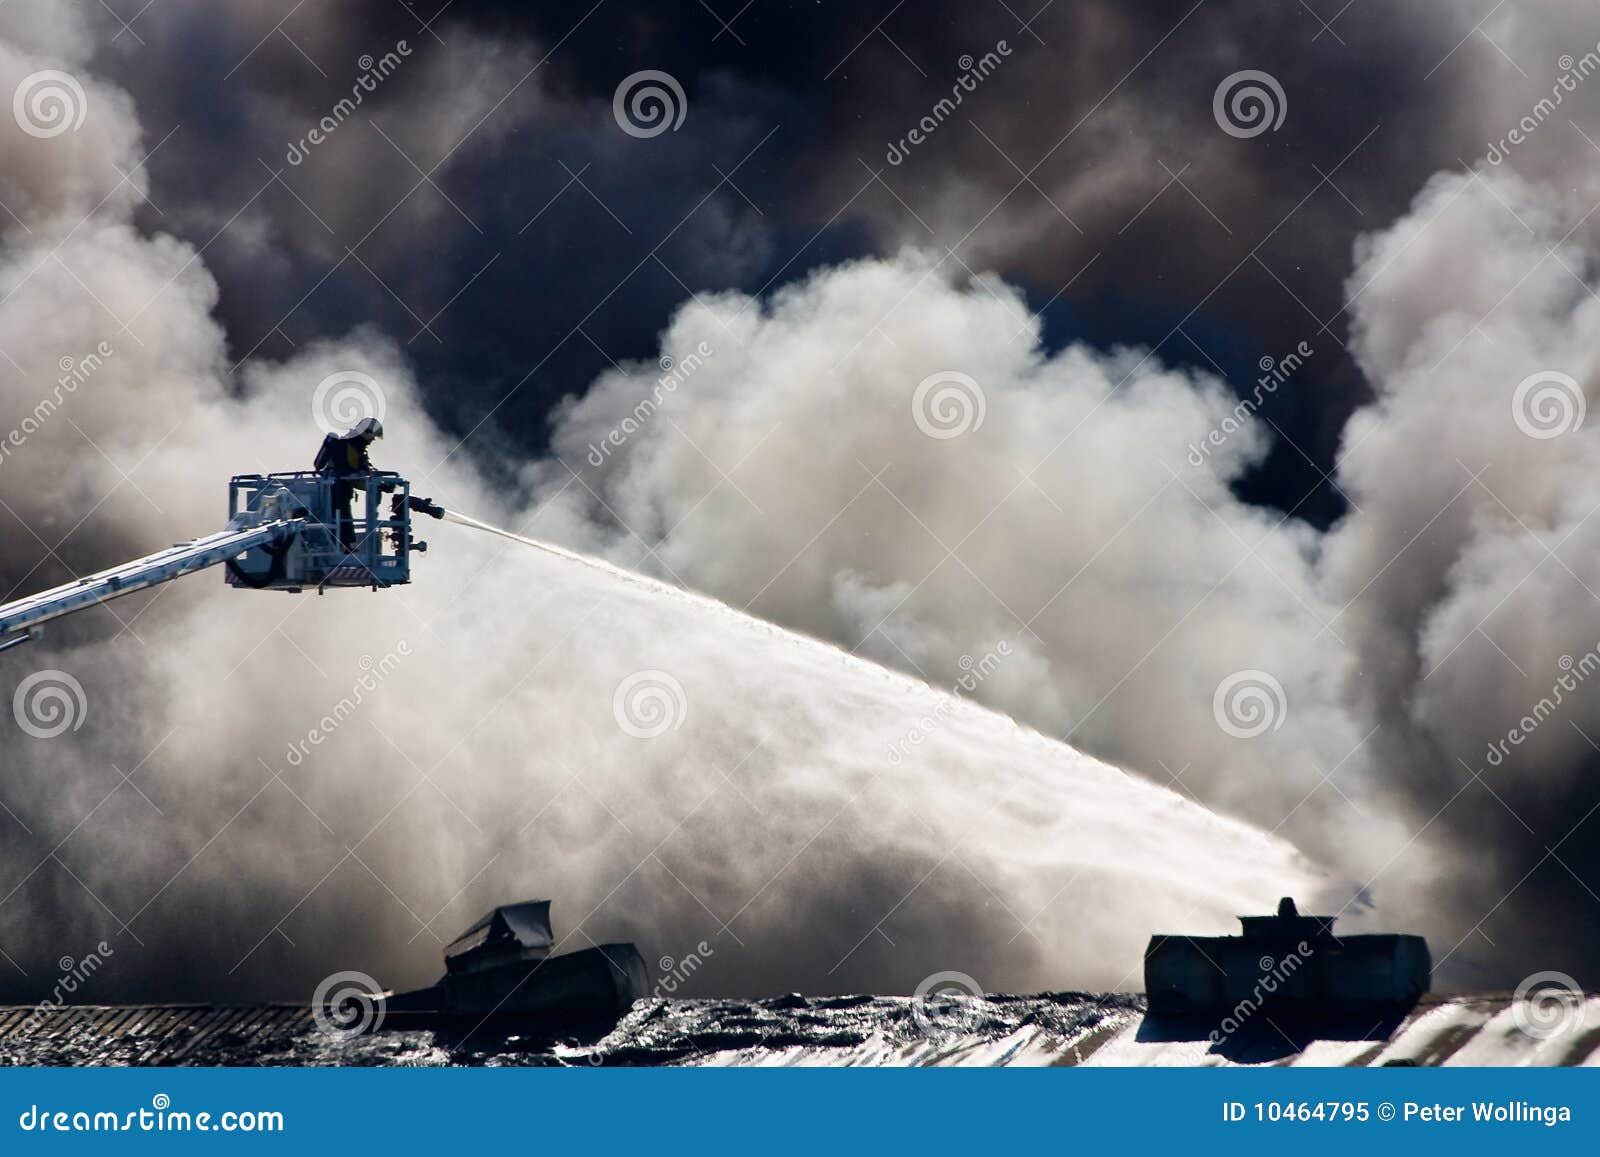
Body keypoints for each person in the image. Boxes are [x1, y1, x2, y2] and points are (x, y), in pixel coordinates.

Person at [314, 417, 383, 551]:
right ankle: (344, 545)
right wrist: (352, 475)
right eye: (372, 437)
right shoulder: (340, 443)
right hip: (332, 491)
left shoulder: (358, 450)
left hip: (344, 492)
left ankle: (347, 544)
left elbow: (361, 473)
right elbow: (323, 466)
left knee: (344, 516)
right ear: (365, 433)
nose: (372, 440)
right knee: (339, 516)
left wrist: (379, 483)